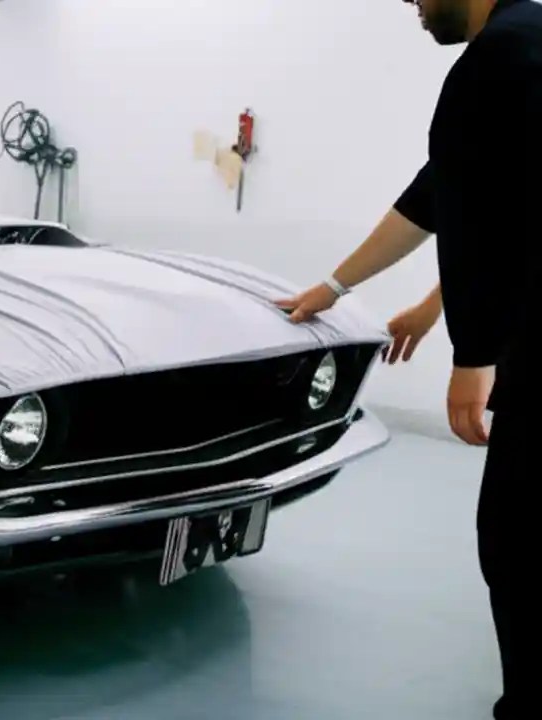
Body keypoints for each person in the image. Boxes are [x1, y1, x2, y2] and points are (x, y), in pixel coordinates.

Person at [275, 1, 538, 717]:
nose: (412, 2)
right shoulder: (528, 45)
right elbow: (457, 195)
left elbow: (482, 213)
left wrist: (472, 357)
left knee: (514, 543)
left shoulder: (498, 60)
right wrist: (340, 288)